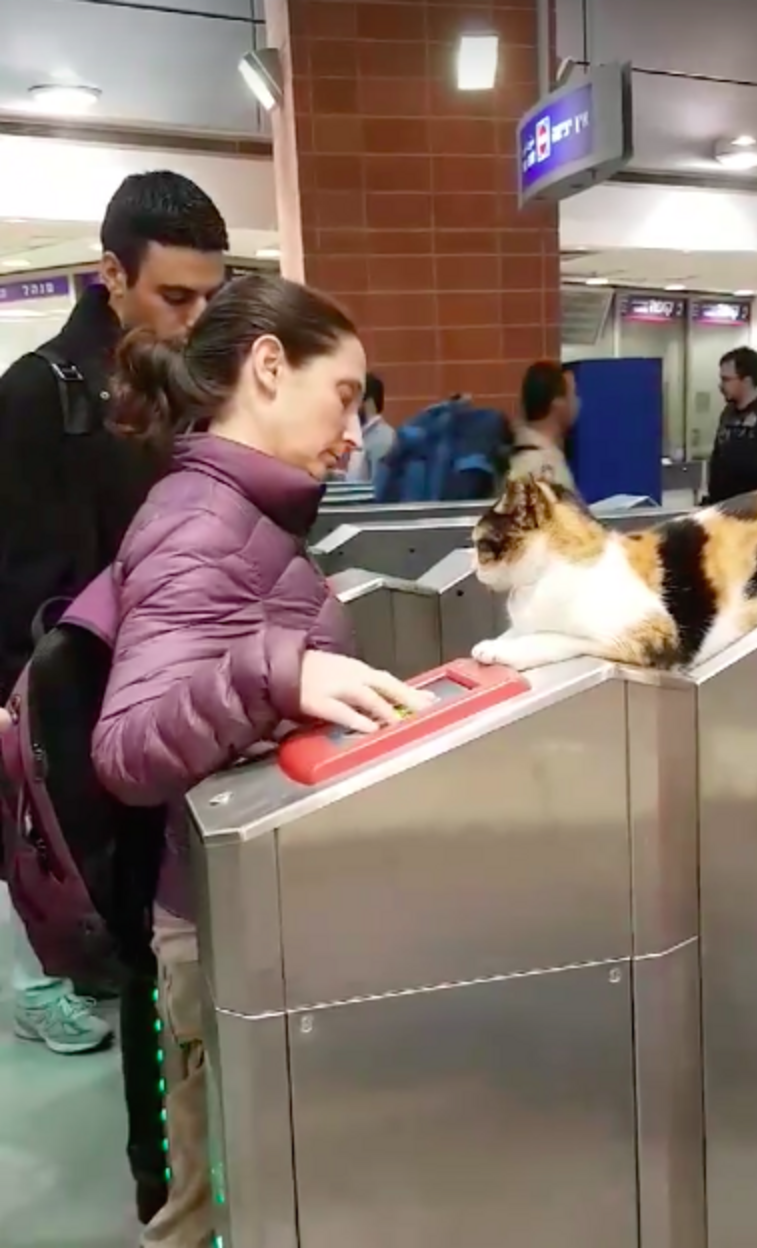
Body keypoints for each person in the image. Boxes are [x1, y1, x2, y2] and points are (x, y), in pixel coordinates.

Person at [91, 273, 434, 1248]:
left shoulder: (241, 518)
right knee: (211, 1213)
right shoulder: (202, 525)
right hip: (212, 936)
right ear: (270, 367)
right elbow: (128, 747)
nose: (356, 432)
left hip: (244, 920)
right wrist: (274, 670)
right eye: (345, 396)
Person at [0, 169, 228, 1222]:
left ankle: (188, 1165)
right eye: (175, 296)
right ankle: (161, 1194)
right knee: (143, 962)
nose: (195, 316)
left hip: (188, 712)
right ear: (110, 274)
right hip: (102, 725)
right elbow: (27, 602)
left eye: (207, 297)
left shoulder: (181, 383)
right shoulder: (38, 394)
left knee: (179, 959)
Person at [706, 346, 757, 504]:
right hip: (723, 505)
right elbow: (717, 457)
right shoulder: (728, 413)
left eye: (726, 379)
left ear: (746, 381)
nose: (721, 386)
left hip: (756, 508)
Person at [507, 360, 579, 490]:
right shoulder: (542, 470)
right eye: (573, 395)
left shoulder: (528, 458)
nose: (577, 402)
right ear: (558, 402)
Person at [344, 371, 395, 482]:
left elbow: (379, 488)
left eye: (353, 402)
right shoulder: (365, 437)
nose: (349, 409)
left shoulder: (382, 439)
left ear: (369, 402)